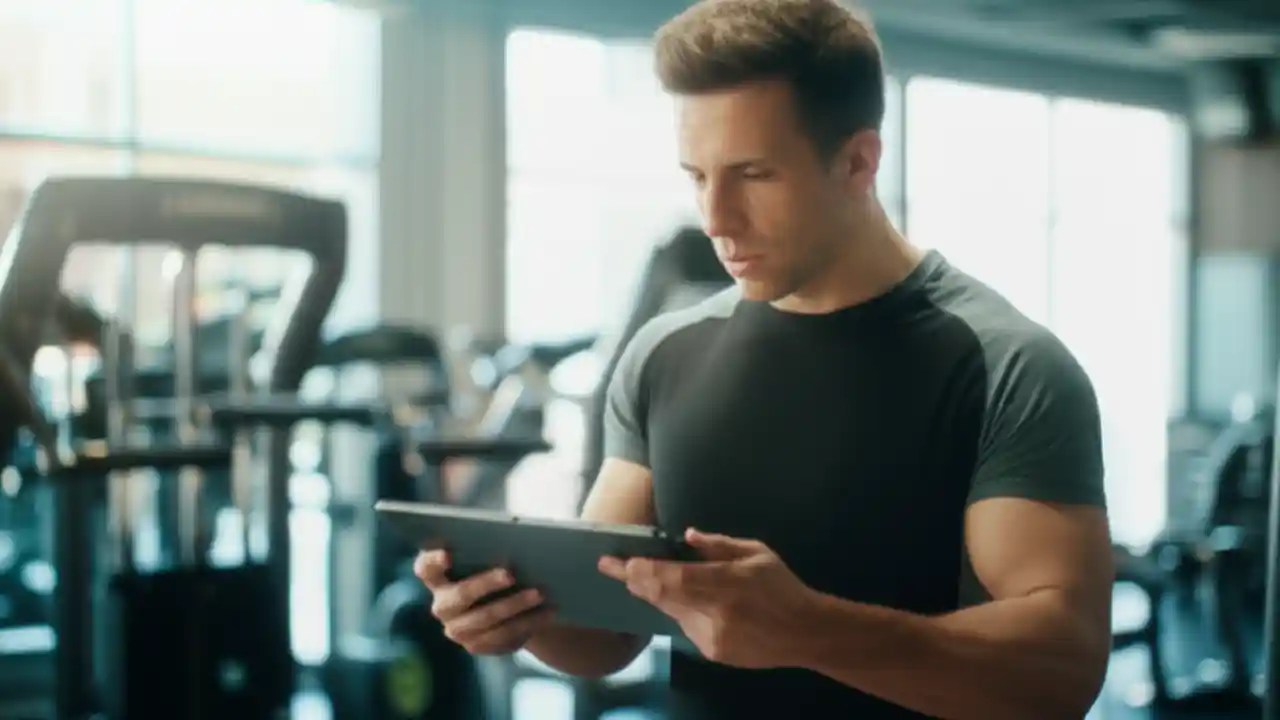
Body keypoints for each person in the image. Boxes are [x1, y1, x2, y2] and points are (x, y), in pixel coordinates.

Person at [415, 0, 1115, 717]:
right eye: (697, 176)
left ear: (858, 162)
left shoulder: (1009, 367)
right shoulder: (663, 355)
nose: (716, 219)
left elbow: (1061, 671)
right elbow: (607, 633)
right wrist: (516, 613)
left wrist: (809, 628)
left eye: (752, 174)